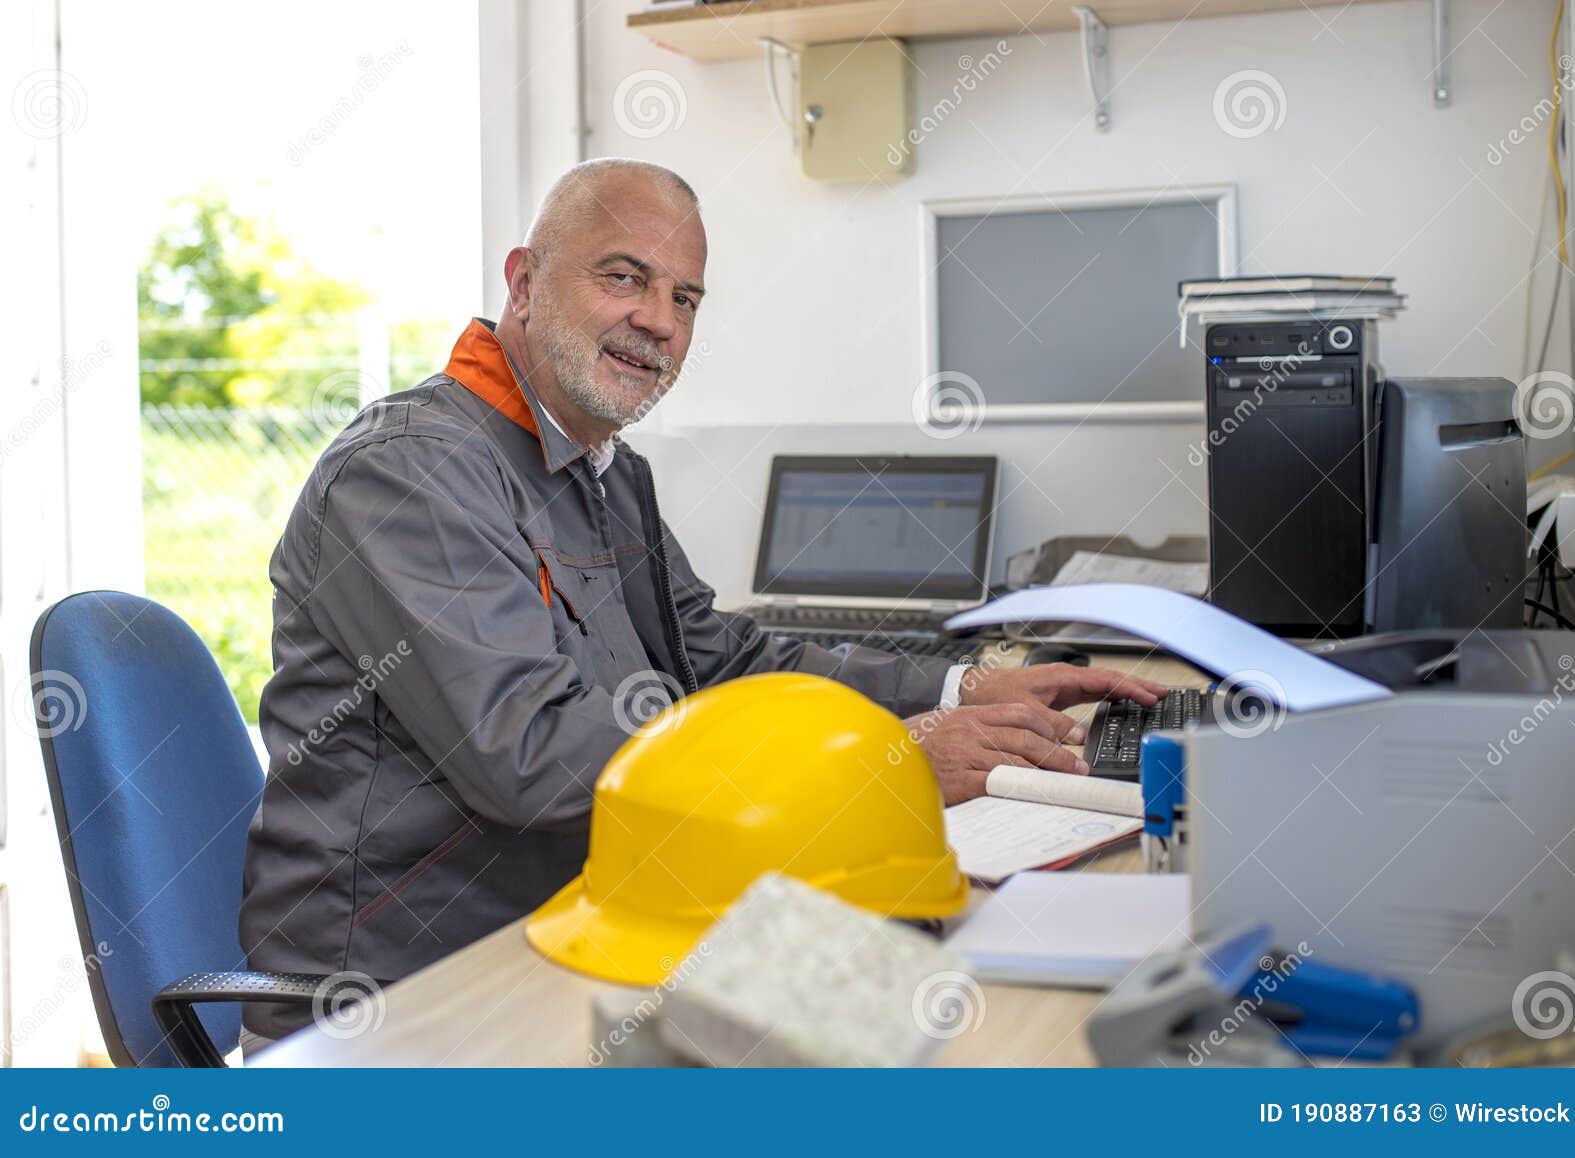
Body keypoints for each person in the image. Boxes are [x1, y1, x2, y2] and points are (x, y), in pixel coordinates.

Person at [238, 158, 1164, 1037]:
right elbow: (527, 754)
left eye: (685, 298)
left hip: (606, 915)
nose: (659, 321)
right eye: (623, 278)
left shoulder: (607, 472)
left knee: (943, 1007)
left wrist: (962, 690)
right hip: (415, 982)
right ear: (523, 283)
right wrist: (882, 763)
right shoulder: (411, 474)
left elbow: (727, 659)